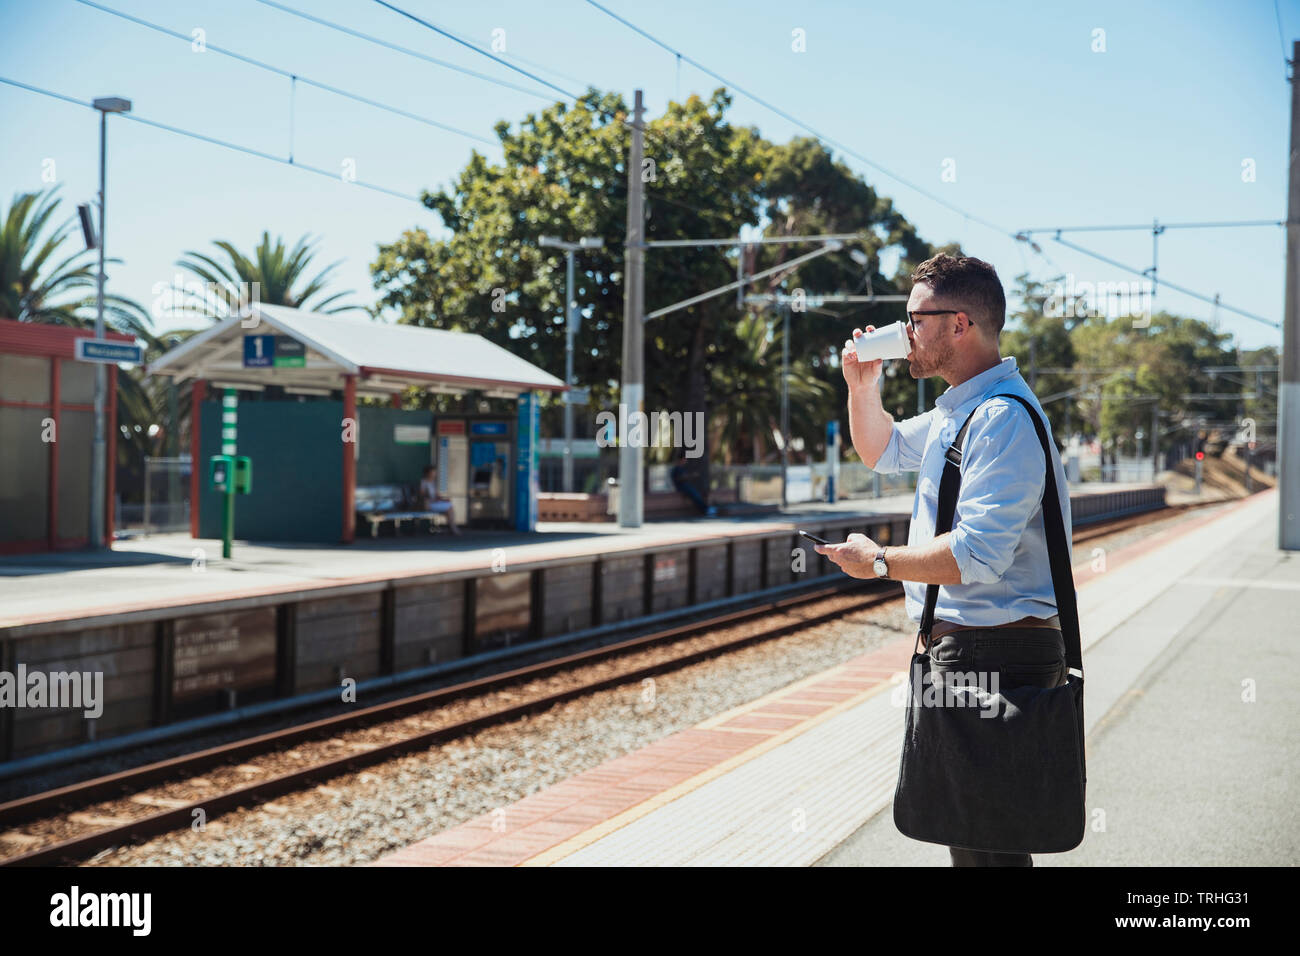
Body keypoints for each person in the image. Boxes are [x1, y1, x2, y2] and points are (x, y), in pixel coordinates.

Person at [814, 253, 1073, 868]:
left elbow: (978, 554)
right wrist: (862, 388)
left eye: (915, 320)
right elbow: (881, 449)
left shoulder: (1001, 419)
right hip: (974, 647)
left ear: (959, 325)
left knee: (987, 849)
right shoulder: (963, 410)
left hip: (997, 651)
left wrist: (879, 561)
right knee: (978, 844)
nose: (906, 333)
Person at [418, 465, 461, 536]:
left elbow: (436, 495)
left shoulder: (433, 483)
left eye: (435, 472)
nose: (434, 474)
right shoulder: (423, 482)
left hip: (435, 502)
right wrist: (431, 498)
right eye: (432, 472)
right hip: (428, 504)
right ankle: (453, 528)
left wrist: (444, 499)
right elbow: (422, 495)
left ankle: (452, 527)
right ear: (428, 473)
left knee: (449, 506)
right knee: (449, 508)